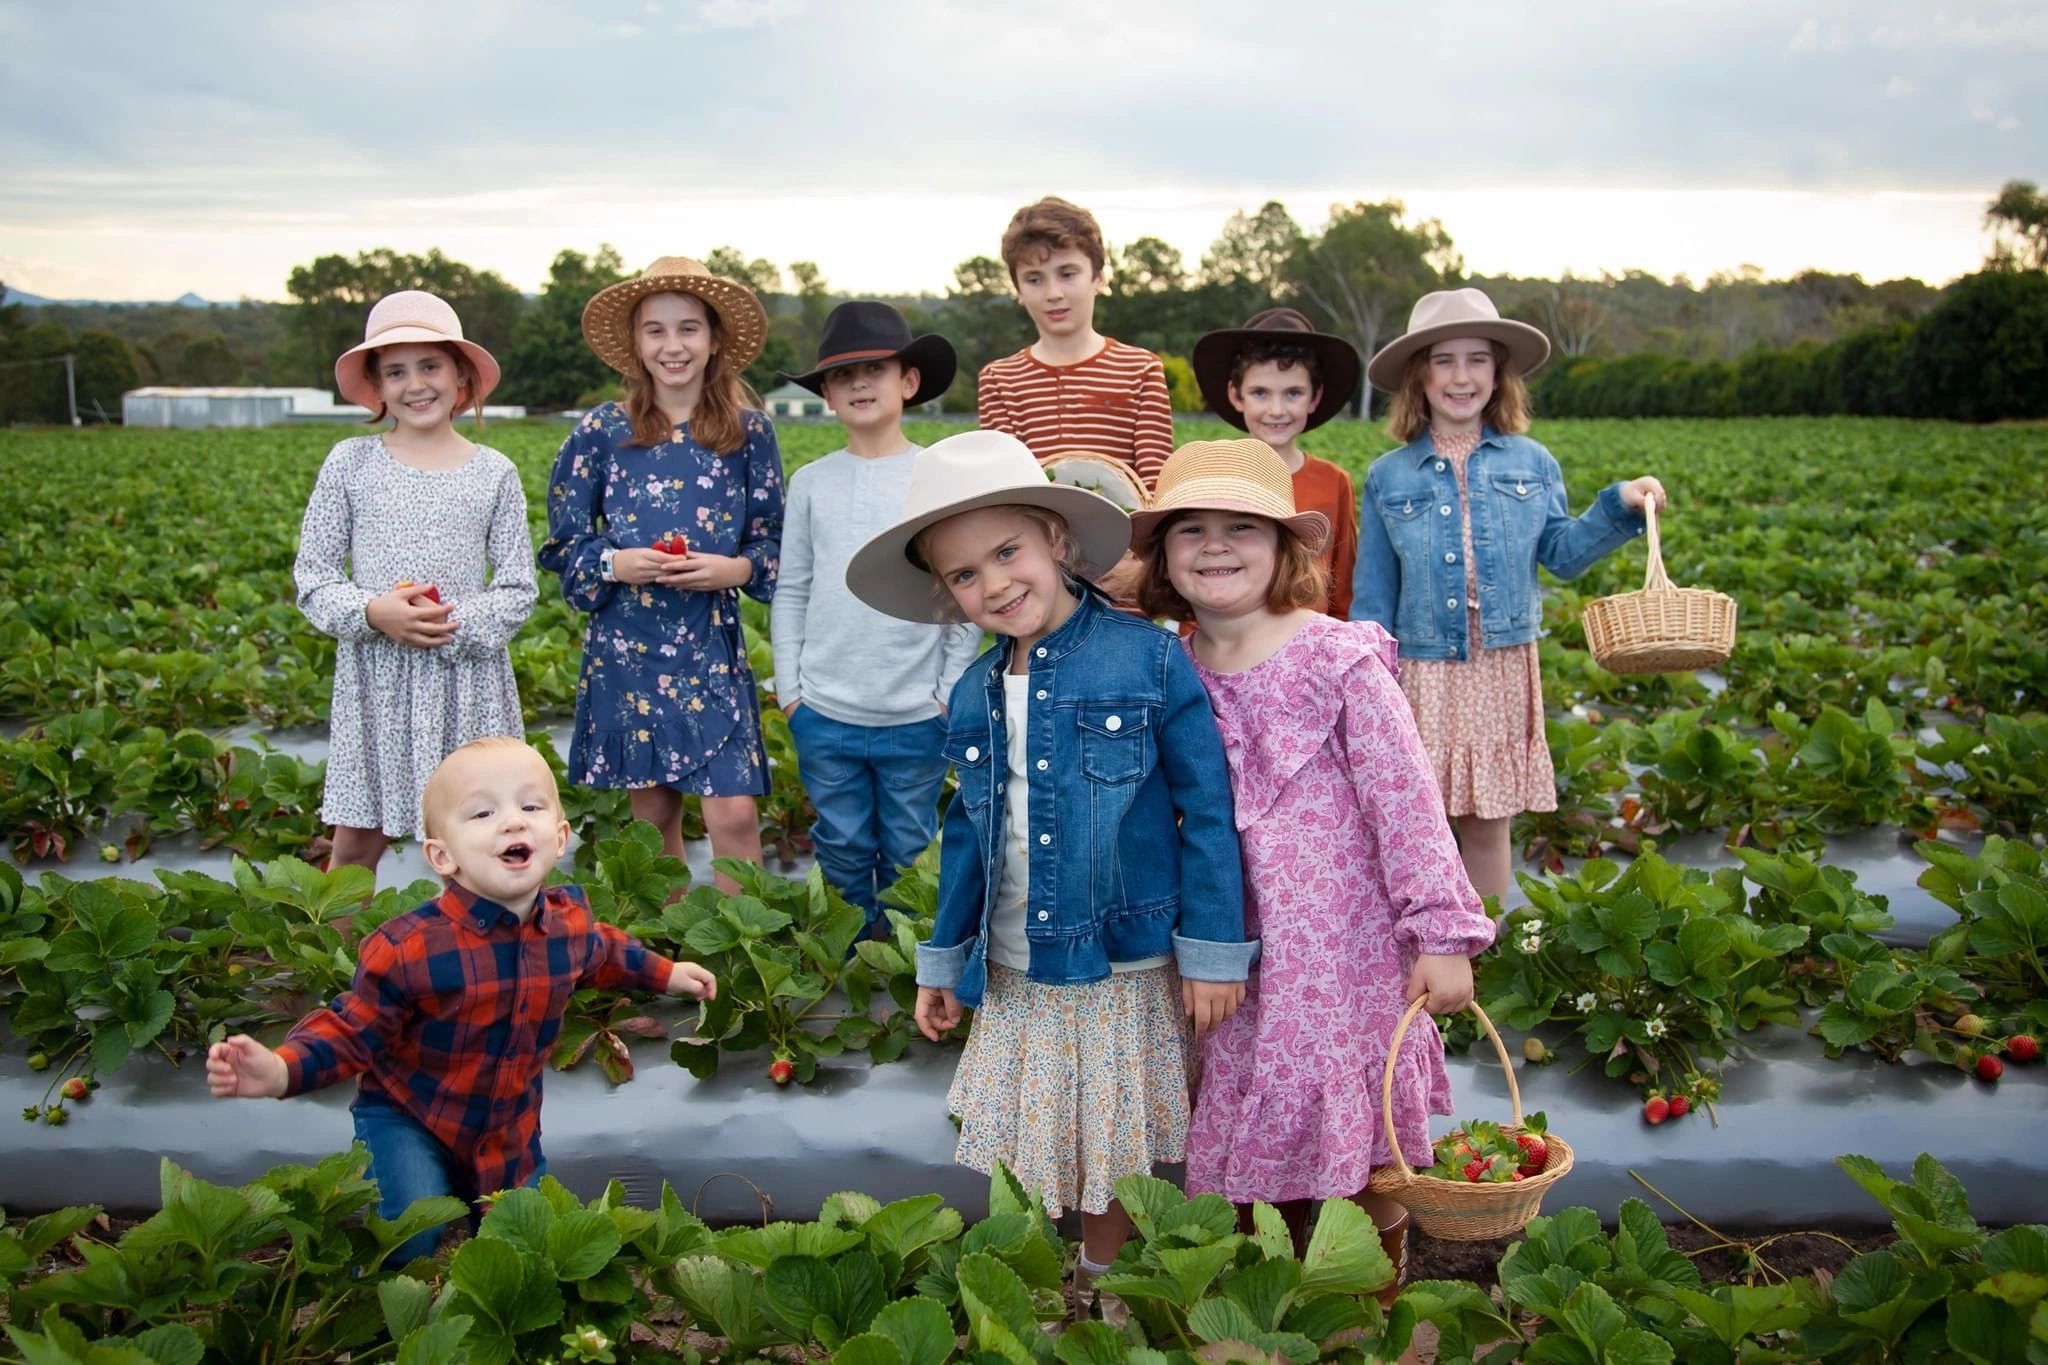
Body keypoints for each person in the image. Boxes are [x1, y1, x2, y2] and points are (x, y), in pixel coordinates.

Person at [845, 429, 1254, 1323]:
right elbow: (967, 837)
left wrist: (1216, 949)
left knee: (1107, 1137)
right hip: (1015, 950)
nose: (993, 583)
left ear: (1056, 541)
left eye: (1006, 552)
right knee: (1038, 1129)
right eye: (963, 574)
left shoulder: (1147, 658)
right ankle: (1046, 1278)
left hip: (1121, 949)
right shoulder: (973, 691)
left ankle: (1106, 1288)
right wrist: (942, 958)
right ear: (946, 595)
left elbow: (1209, 810)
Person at [1133, 438, 1496, 1306]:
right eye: (1190, 530)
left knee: (1360, 1133)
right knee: (1255, 1121)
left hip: (1343, 953)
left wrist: (1441, 932)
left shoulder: (1338, 658)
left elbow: (1406, 803)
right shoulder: (1168, 666)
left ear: (1285, 547)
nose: (1215, 546)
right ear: (1162, 557)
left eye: (1240, 528)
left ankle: (1366, 1303)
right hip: (1233, 954)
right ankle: (1274, 1302)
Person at [205, 737, 717, 1264]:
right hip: (410, 1113)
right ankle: (385, 1313)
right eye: (483, 812)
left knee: (521, 1242)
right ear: (440, 856)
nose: (514, 822)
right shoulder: (410, 947)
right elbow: (353, 1028)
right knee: (411, 1232)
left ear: (560, 837)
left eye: (532, 806)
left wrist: (668, 973)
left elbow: (607, 954)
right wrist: (281, 1069)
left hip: (507, 1123)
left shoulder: (569, 926)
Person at [1353, 288, 1665, 901]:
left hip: (1500, 664)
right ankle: (1424, 954)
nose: (1461, 377)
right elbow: (1373, 594)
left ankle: (1486, 957)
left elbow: (1565, 554)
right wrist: (1370, 680)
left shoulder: (1532, 463)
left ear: (1500, 373)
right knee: (1419, 824)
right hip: (1421, 668)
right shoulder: (1389, 475)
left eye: (1477, 359)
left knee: (1488, 826)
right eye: (1443, 360)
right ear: (1420, 376)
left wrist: (1619, 505)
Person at [540, 257, 785, 894]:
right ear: (636, 344)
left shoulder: (749, 431)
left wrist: (731, 568)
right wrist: (613, 563)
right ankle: (673, 947)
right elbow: (566, 546)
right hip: (628, 644)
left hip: (708, 639)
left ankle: (740, 948)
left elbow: (775, 542)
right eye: (655, 331)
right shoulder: (600, 432)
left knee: (732, 811)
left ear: (713, 341)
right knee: (654, 814)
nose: (672, 346)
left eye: (688, 330)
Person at [294, 290, 535, 873]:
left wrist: (447, 623)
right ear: (377, 385)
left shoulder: (493, 472)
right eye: (396, 371)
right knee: (357, 838)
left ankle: (472, 959)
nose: (416, 384)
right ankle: (340, 961)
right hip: (378, 678)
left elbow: (518, 587)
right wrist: (376, 612)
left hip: (467, 680)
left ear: (460, 376)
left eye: (430, 366)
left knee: (479, 838)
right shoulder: (350, 462)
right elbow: (314, 575)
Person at [770, 302, 981, 928]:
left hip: (916, 711)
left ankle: (909, 968)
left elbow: (961, 588)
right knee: (840, 848)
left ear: (908, 382)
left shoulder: (936, 476)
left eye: (876, 369)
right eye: (843, 375)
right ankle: (850, 962)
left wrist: (946, 690)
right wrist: (791, 694)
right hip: (824, 709)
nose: (860, 383)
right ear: (827, 395)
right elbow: (793, 590)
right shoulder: (811, 481)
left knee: (909, 848)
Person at [975, 197, 1173, 606]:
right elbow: (1002, 495)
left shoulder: (1140, 369)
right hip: (1035, 586)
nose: (1053, 294)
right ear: (1017, 290)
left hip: (1126, 582)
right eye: (1034, 279)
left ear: (1099, 276)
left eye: (1068, 273)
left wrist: (1140, 569)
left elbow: (1156, 487)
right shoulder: (1000, 379)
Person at [1191, 306, 1362, 617]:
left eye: (1293, 393)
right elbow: (1192, 579)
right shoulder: (1213, 477)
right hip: (1225, 647)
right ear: (1235, 394)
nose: (1276, 409)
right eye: (1260, 393)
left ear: (1315, 397)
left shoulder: (1334, 482)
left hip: (1310, 651)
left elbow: (1343, 589)